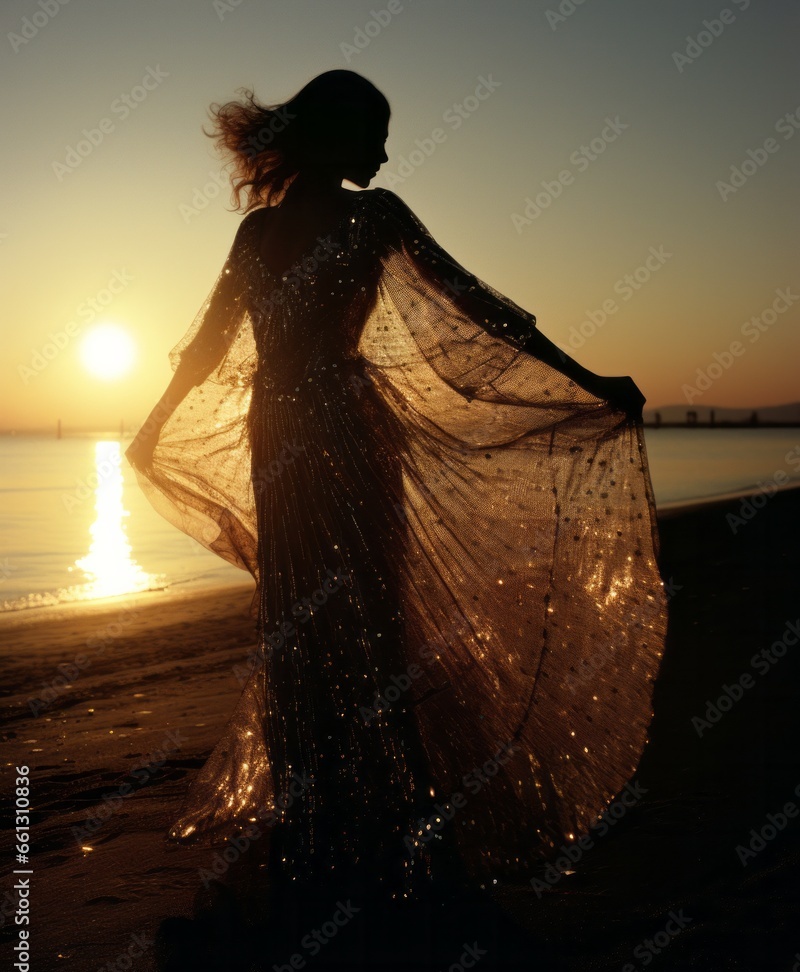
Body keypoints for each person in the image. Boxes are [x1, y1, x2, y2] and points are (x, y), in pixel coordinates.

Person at [126, 69, 667, 913]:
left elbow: (477, 309)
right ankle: (338, 813)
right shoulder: (300, 229)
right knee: (317, 619)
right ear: (333, 135)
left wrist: (585, 379)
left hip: (321, 432)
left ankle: (373, 810)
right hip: (309, 437)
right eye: (372, 135)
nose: (383, 154)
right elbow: (212, 343)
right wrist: (155, 425)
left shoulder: (343, 220)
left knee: (349, 616)